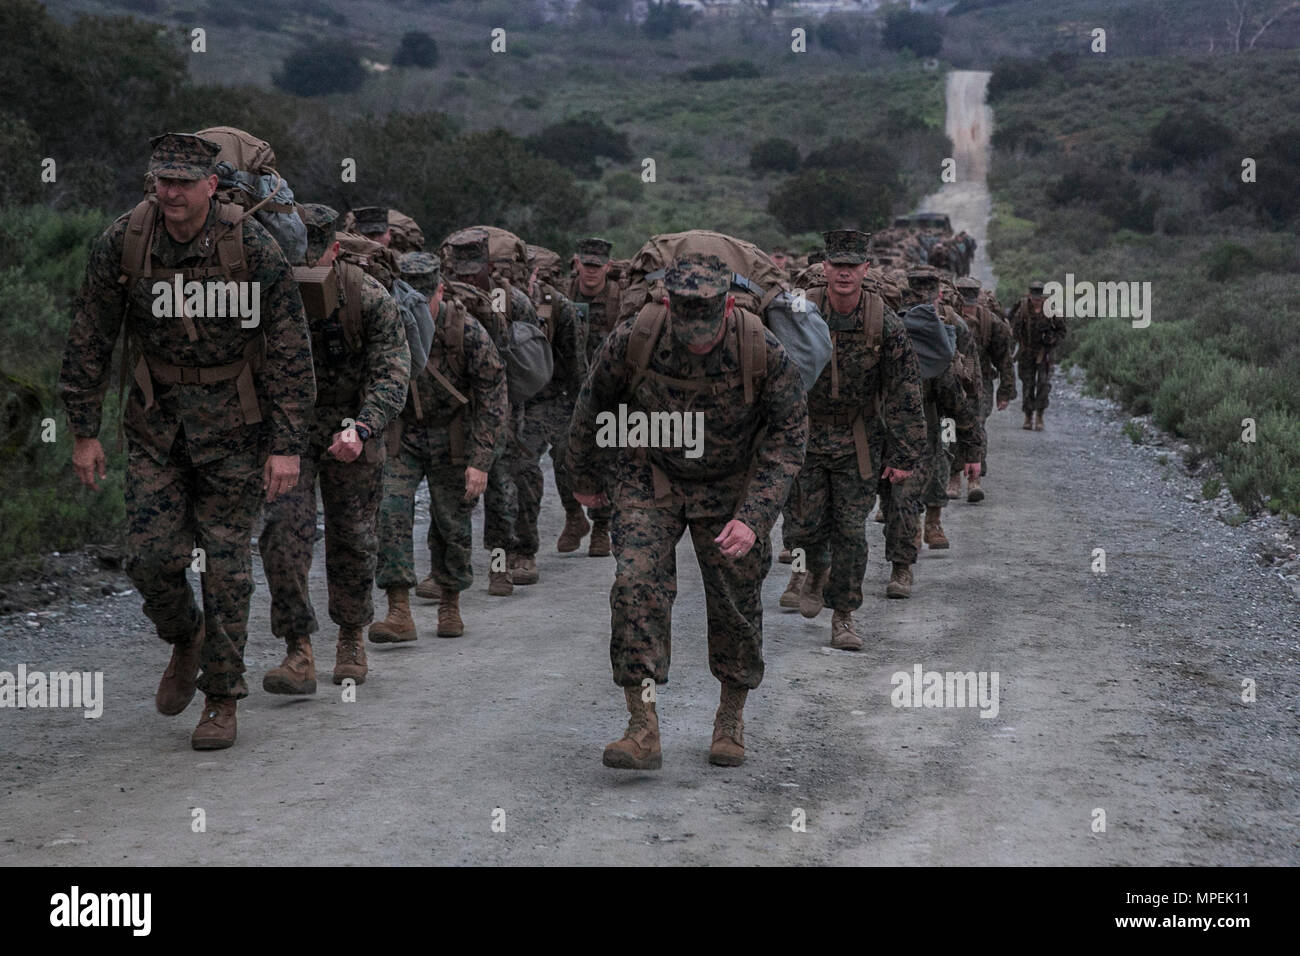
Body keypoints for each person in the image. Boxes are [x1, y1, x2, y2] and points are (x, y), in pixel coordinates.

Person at [60, 132, 315, 749]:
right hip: (157, 425)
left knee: (226, 565)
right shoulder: (127, 239)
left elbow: (289, 351)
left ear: (212, 185)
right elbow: (91, 335)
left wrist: (287, 445)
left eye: (183, 181)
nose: (171, 192)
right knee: (150, 557)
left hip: (235, 428)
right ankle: (185, 636)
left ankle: (222, 698)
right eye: (162, 180)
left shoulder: (250, 247)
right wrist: (83, 431)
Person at [567, 254, 807, 769]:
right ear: (669, 305)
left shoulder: (759, 348)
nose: (696, 338)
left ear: (725, 306)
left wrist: (755, 516)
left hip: (729, 486)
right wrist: (583, 479)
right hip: (649, 475)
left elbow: (789, 436)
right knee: (635, 584)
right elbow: (592, 405)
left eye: (706, 325)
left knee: (735, 601)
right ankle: (642, 725)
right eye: (686, 325)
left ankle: (730, 717)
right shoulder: (638, 336)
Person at [259, 204, 409, 693]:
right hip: (290, 434)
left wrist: (363, 427)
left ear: (335, 249)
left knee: (354, 539)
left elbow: (392, 371)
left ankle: (351, 638)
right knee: (283, 534)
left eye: (315, 257)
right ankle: (298, 649)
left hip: (352, 429)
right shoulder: (269, 291)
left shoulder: (367, 296)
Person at [778, 230, 925, 641]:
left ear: (865, 269)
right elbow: (772, 373)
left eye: (852, 266)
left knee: (850, 530)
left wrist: (904, 454)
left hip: (859, 440)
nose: (844, 273)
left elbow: (905, 392)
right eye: (836, 265)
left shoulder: (885, 323)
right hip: (806, 434)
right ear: (824, 268)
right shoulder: (800, 312)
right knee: (803, 527)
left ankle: (843, 614)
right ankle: (816, 568)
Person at [372, 252, 508, 639]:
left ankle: (450, 602)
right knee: (391, 509)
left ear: (440, 292)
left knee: (452, 519)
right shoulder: (392, 320)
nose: (418, 309)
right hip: (405, 433)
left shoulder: (466, 331)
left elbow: (494, 399)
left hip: (453, 435)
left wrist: (481, 461)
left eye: (425, 300)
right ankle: (399, 609)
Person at [562, 237, 622, 557]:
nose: (591, 271)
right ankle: (574, 516)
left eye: (597, 266)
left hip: (605, 392)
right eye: (586, 264)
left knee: (606, 459)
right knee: (564, 456)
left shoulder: (618, 299)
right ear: (577, 263)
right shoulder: (563, 295)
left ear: (608, 267)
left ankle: (602, 525)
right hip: (569, 389)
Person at [1009, 280, 1067, 430]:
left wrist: (1051, 339)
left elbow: (1062, 331)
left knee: (1043, 385)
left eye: (1039, 298)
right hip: (1026, 352)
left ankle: (1039, 416)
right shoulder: (1022, 308)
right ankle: (1028, 416)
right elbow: (1013, 330)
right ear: (1029, 295)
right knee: (1028, 385)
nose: (1037, 301)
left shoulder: (1051, 309)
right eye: (1034, 297)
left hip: (1044, 353)